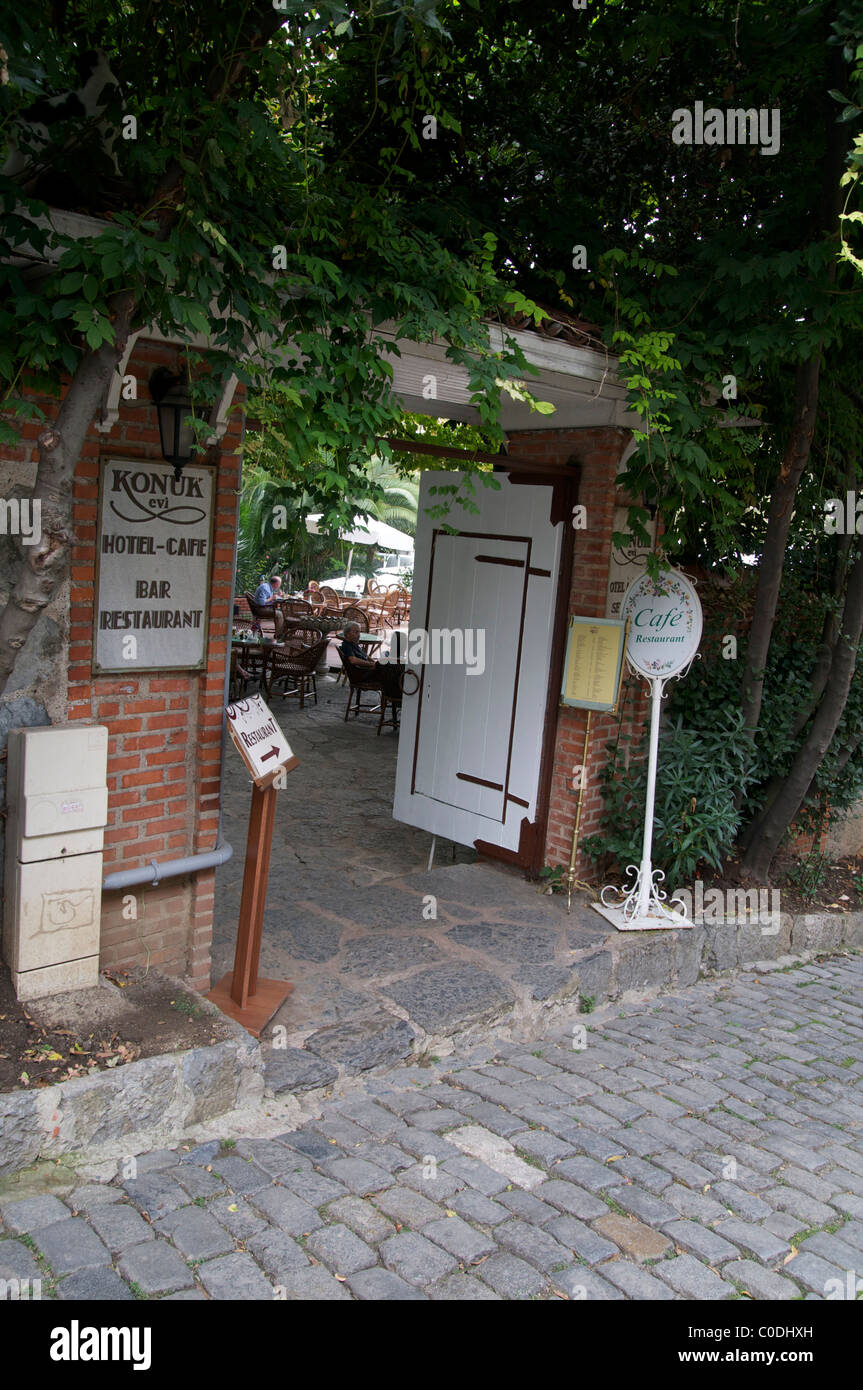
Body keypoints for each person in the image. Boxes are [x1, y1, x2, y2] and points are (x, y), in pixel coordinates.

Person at [339, 622, 403, 699]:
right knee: (394, 668)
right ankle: (395, 696)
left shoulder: (354, 644)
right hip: (363, 674)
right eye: (356, 632)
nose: (359, 634)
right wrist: (372, 664)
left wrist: (374, 663)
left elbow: (366, 656)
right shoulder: (346, 645)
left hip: (368, 671)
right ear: (347, 634)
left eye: (359, 632)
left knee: (395, 666)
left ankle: (396, 693)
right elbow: (353, 660)